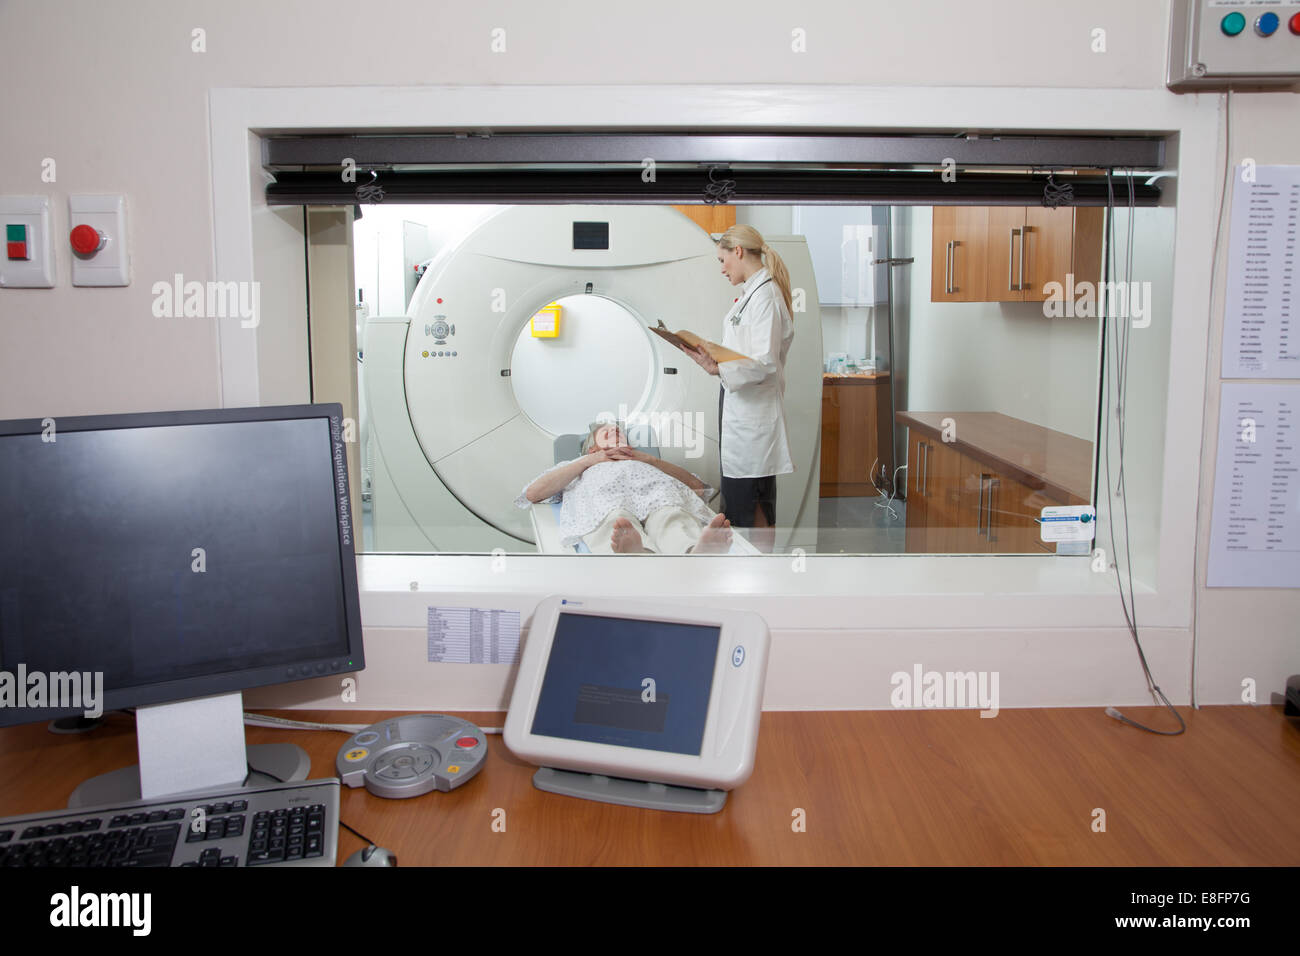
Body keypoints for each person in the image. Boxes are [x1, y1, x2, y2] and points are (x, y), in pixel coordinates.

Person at [684, 224, 794, 552]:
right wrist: (715, 363)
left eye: (722, 259)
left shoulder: (766, 296)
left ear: (738, 252)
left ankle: (756, 570)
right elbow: (747, 355)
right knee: (748, 499)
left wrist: (719, 367)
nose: (721, 268)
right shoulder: (752, 295)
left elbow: (765, 362)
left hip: (754, 418)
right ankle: (750, 568)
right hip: (741, 409)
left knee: (752, 502)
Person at [516, 422, 733, 554]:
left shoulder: (646, 460)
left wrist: (649, 460)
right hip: (608, 501)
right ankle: (636, 553)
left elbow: (697, 488)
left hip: (656, 496)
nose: (616, 434)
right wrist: (588, 462)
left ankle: (692, 551)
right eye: (608, 434)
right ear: (591, 448)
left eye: (619, 433)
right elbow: (533, 494)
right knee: (615, 519)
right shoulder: (578, 465)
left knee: (670, 514)